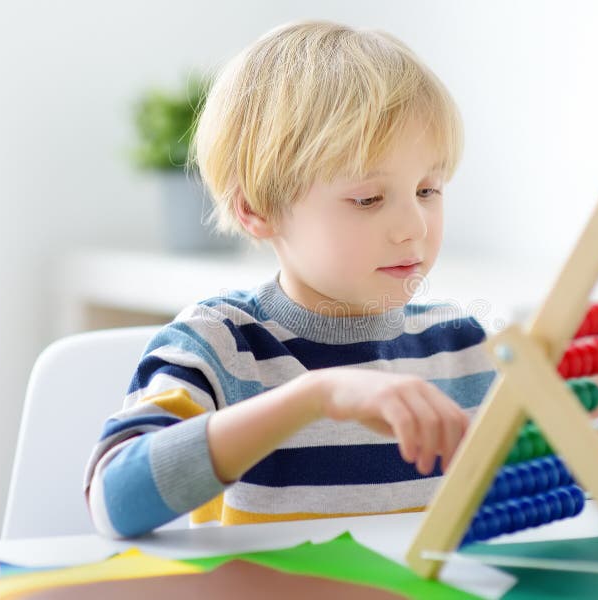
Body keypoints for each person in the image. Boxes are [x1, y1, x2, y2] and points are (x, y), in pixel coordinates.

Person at [84, 20, 495, 539]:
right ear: (258, 210)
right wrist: (315, 397)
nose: (414, 226)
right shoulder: (219, 346)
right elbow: (113, 501)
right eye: (368, 198)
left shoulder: (465, 351)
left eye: (429, 190)